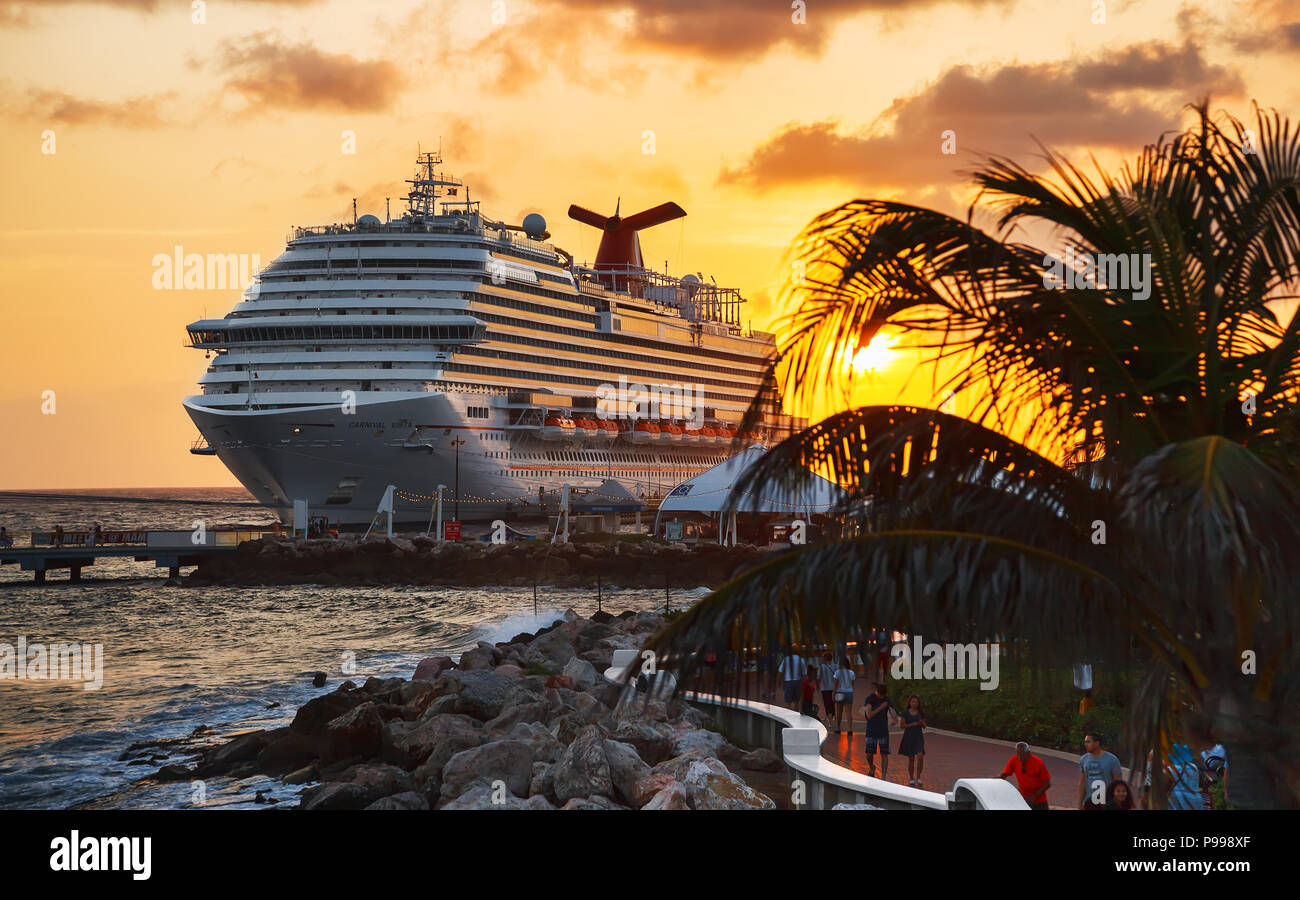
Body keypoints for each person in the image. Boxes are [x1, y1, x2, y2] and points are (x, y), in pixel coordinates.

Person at [999, 742, 1052, 809]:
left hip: (1039, 800)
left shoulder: (1038, 762)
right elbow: (1004, 775)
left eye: (1022, 755)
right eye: (1018, 754)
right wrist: (993, 781)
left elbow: (1047, 783)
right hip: (1023, 798)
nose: (1020, 757)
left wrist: (1034, 796)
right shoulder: (1014, 760)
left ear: (1028, 753)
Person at [862, 682, 898, 779]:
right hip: (871, 730)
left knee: (884, 754)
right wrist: (881, 707)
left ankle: (883, 776)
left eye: (884, 695)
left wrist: (895, 719)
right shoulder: (870, 699)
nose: (882, 697)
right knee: (869, 754)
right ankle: (872, 767)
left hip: (883, 730)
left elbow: (892, 710)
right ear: (877, 692)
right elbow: (869, 715)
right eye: (881, 695)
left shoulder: (887, 699)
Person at [1078, 733, 1123, 809]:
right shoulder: (1083, 759)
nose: (1085, 744)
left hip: (1107, 802)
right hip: (1090, 801)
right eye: (1085, 742)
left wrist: (1119, 803)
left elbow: (1118, 783)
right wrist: (1080, 802)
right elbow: (1082, 782)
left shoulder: (1112, 760)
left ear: (1097, 743)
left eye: (1088, 742)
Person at [897, 694, 926, 787]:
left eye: (916, 702)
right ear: (909, 702)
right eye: (913, 701)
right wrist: (913, 724)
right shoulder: (905, 713)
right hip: (909, 736)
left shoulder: (920, 713)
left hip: (918, 737)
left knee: (920, 756)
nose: (915, 703)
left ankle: (918, 777)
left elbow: (924, 726)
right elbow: (902, 726)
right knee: (911, 758)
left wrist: (922, 723)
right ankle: (911, 778)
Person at [833, 657, 856, 734]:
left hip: (839, 692)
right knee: (848, 712)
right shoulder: (851, 672)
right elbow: (853, 684)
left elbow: (835, 685)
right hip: (849, 692)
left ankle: (838, 728)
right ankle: (849, 729)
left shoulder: (837, 672)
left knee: (839, 711)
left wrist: (833, 693)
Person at [817, 652, 838, 723]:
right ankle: (833, 716)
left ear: (824, 659)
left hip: (824, 688)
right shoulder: (835, 666)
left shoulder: (821, 667)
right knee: (832, 702)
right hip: (833, 688)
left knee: (827, 703)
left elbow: (818, 677)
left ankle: (829, 717)